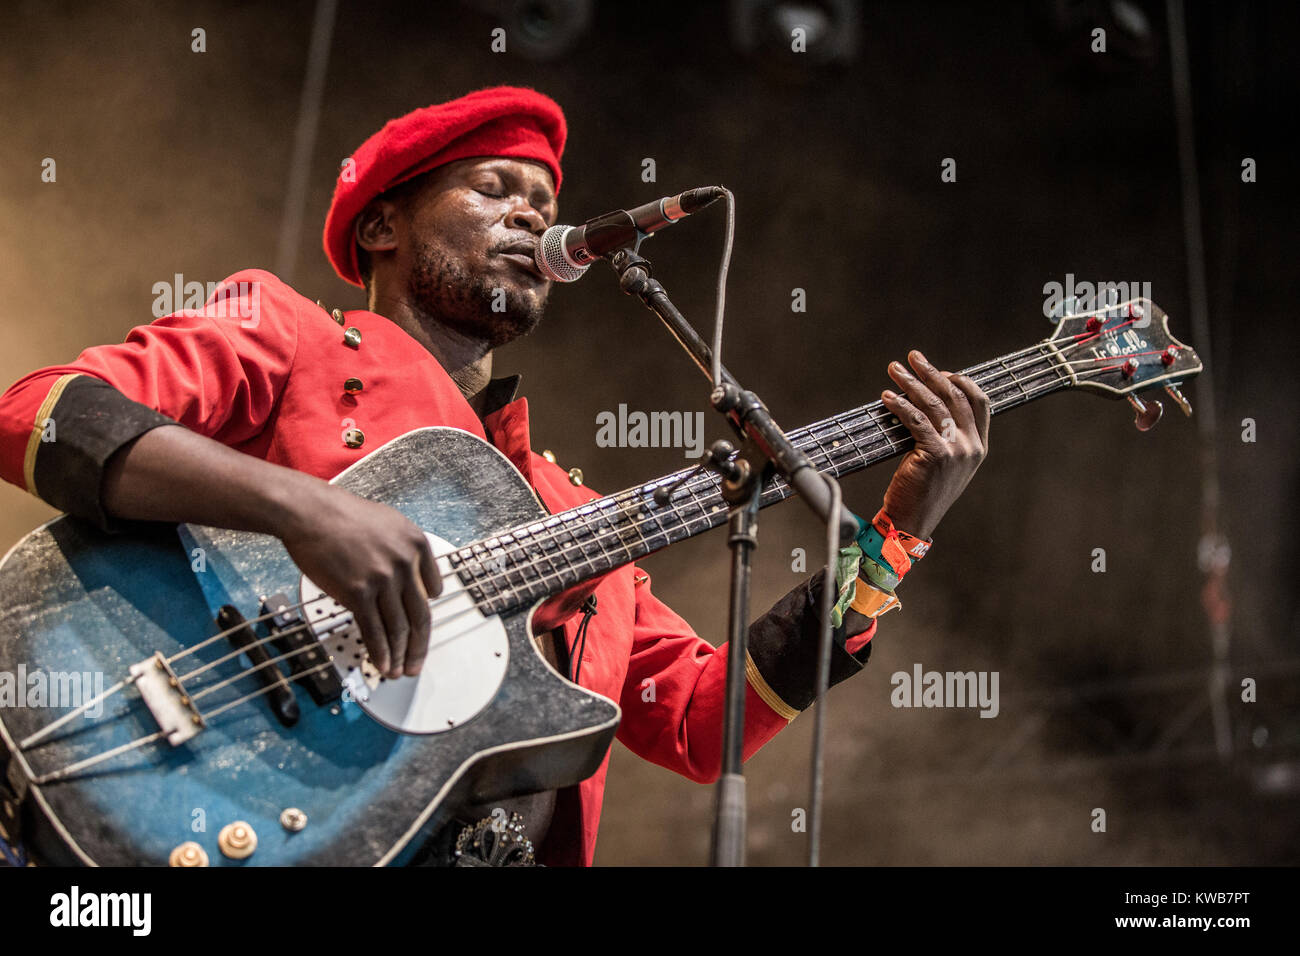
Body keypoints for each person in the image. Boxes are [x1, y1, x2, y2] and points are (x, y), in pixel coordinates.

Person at [0, 86, 990, 866]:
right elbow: (38, 410)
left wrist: (894, 535)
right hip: (188, 783)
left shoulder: (575, 514)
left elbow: (703, 720)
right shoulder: (289, 334)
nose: (531, 217)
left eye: (547, 207)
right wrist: (305, 511)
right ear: (382, 227)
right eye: (494, 190)